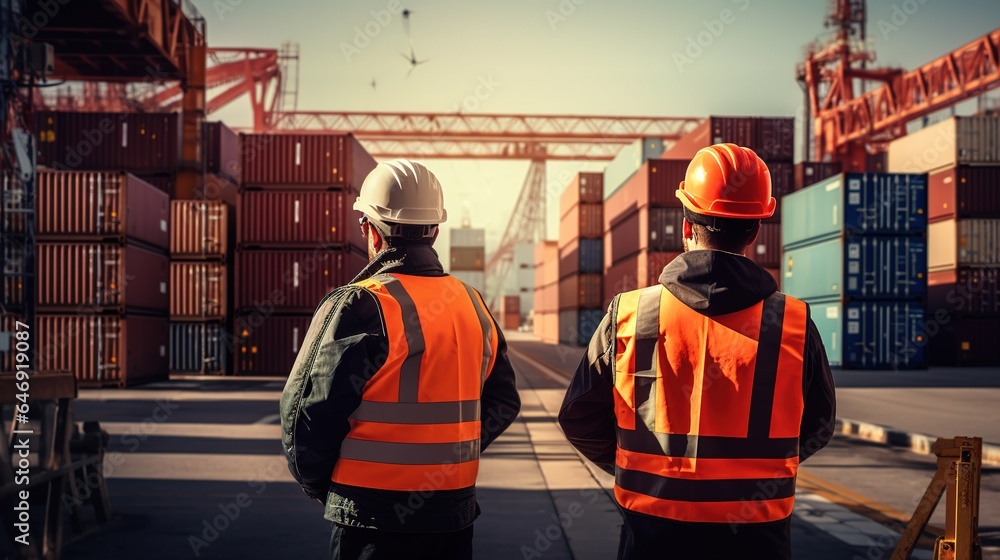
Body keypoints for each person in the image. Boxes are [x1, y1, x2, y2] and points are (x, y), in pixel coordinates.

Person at [558, 144, 836, 560]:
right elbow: (818, 423)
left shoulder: (630, 313)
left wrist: (637, 469)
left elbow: (578, 416)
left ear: (686, 225)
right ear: (756, 230)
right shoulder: (791, 322)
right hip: (756, 537)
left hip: (652, 534)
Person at [280, 159, 521, 560]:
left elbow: (305, 415)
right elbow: (504, 402)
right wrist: (449, 462)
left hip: (372, 520)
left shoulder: (361, 303)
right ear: (436, 230)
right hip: (453, 517)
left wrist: (328, 488)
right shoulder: (473, 304)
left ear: (371, 231)